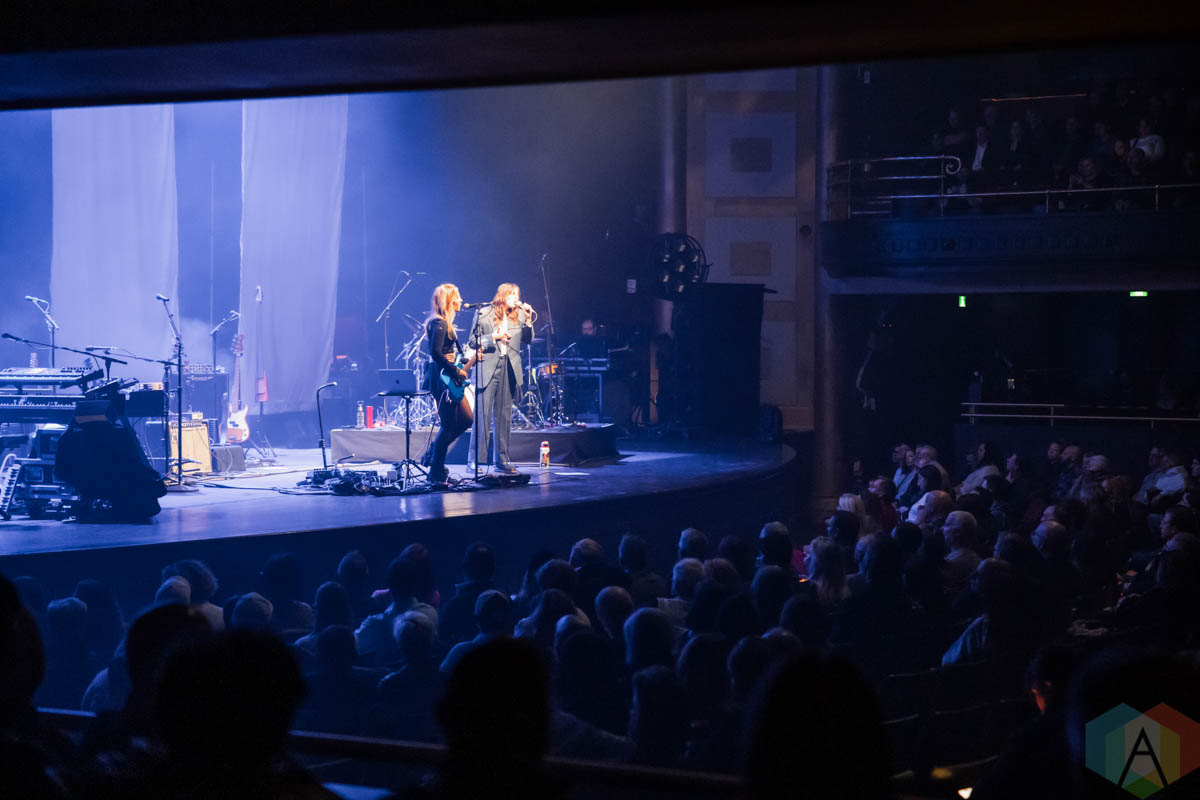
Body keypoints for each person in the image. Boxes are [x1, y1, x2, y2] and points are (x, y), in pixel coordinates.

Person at [468, 283, 535, 474]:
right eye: (512, 294)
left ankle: (502, 460)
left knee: (504, 417)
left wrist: (529, 321)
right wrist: (494, 337)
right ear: (502, 295)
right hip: (487, 367)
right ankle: (475, 460)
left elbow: (528, 339)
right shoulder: (484, 314)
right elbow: (473, 342)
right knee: (482, 416)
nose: (516, 298)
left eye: (517, 294)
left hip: (509, 368)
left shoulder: (520, 315)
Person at [425, 283, 477, 483]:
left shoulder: (444, 323)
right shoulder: (439, 323)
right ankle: (435, 473)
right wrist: (455, 370)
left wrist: (469, 360)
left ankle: (433, 454)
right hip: (443, 378)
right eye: (457, 298)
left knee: (465, 420)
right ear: (449, 301)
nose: (461, 301)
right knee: (448, 425)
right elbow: (435, 353)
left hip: (449, 376)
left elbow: (451, 354)